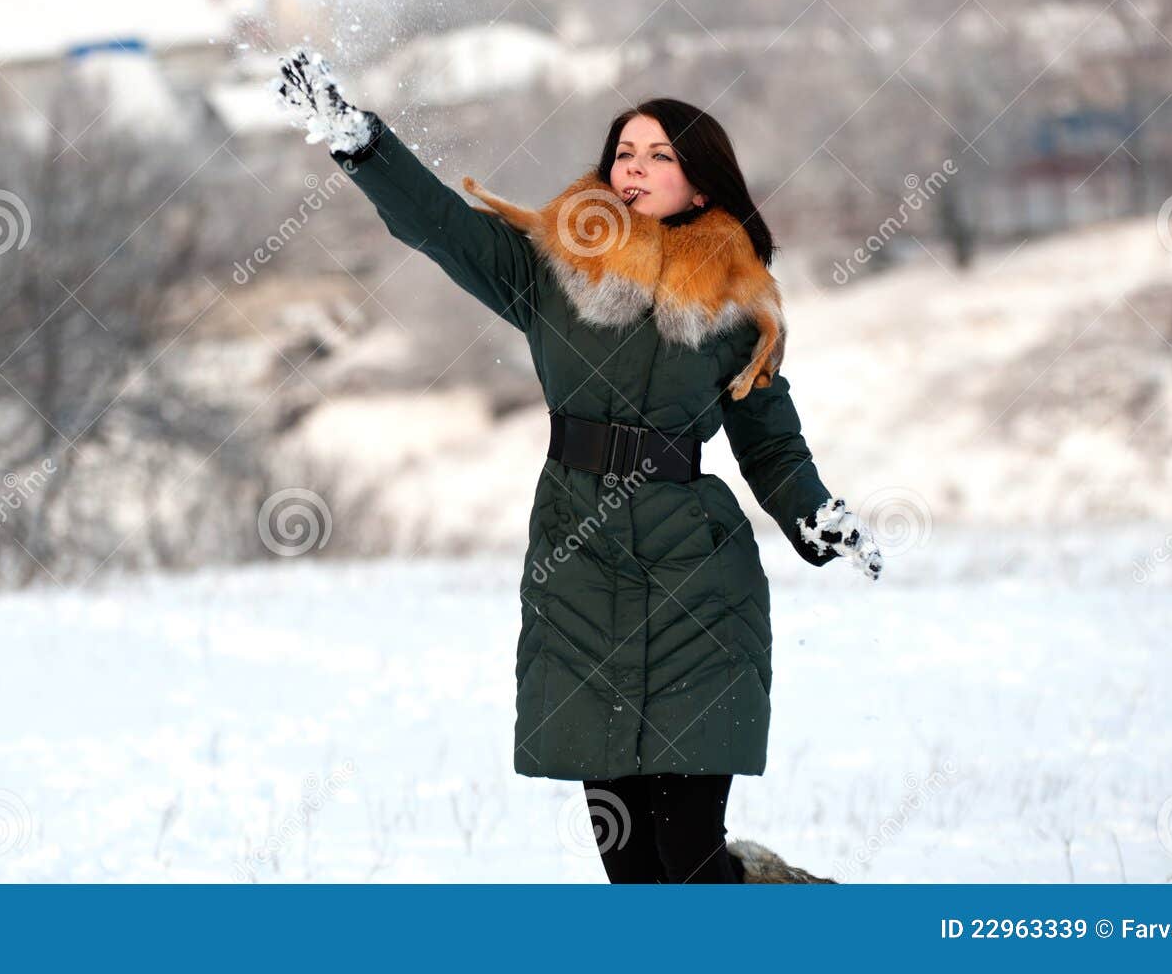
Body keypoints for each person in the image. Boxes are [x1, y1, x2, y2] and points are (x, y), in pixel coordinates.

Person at [272, 47, 882, 883]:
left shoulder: (741, 305)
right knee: (629, 866)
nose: (633, 169)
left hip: (697, 580)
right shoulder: (551, 270)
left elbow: (769, 438)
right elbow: (438, 225)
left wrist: (816, 517)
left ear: (700, 184)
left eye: (658, 156)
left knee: (690, 858)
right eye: (624, 153)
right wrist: (360, 141)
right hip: (579, 565)